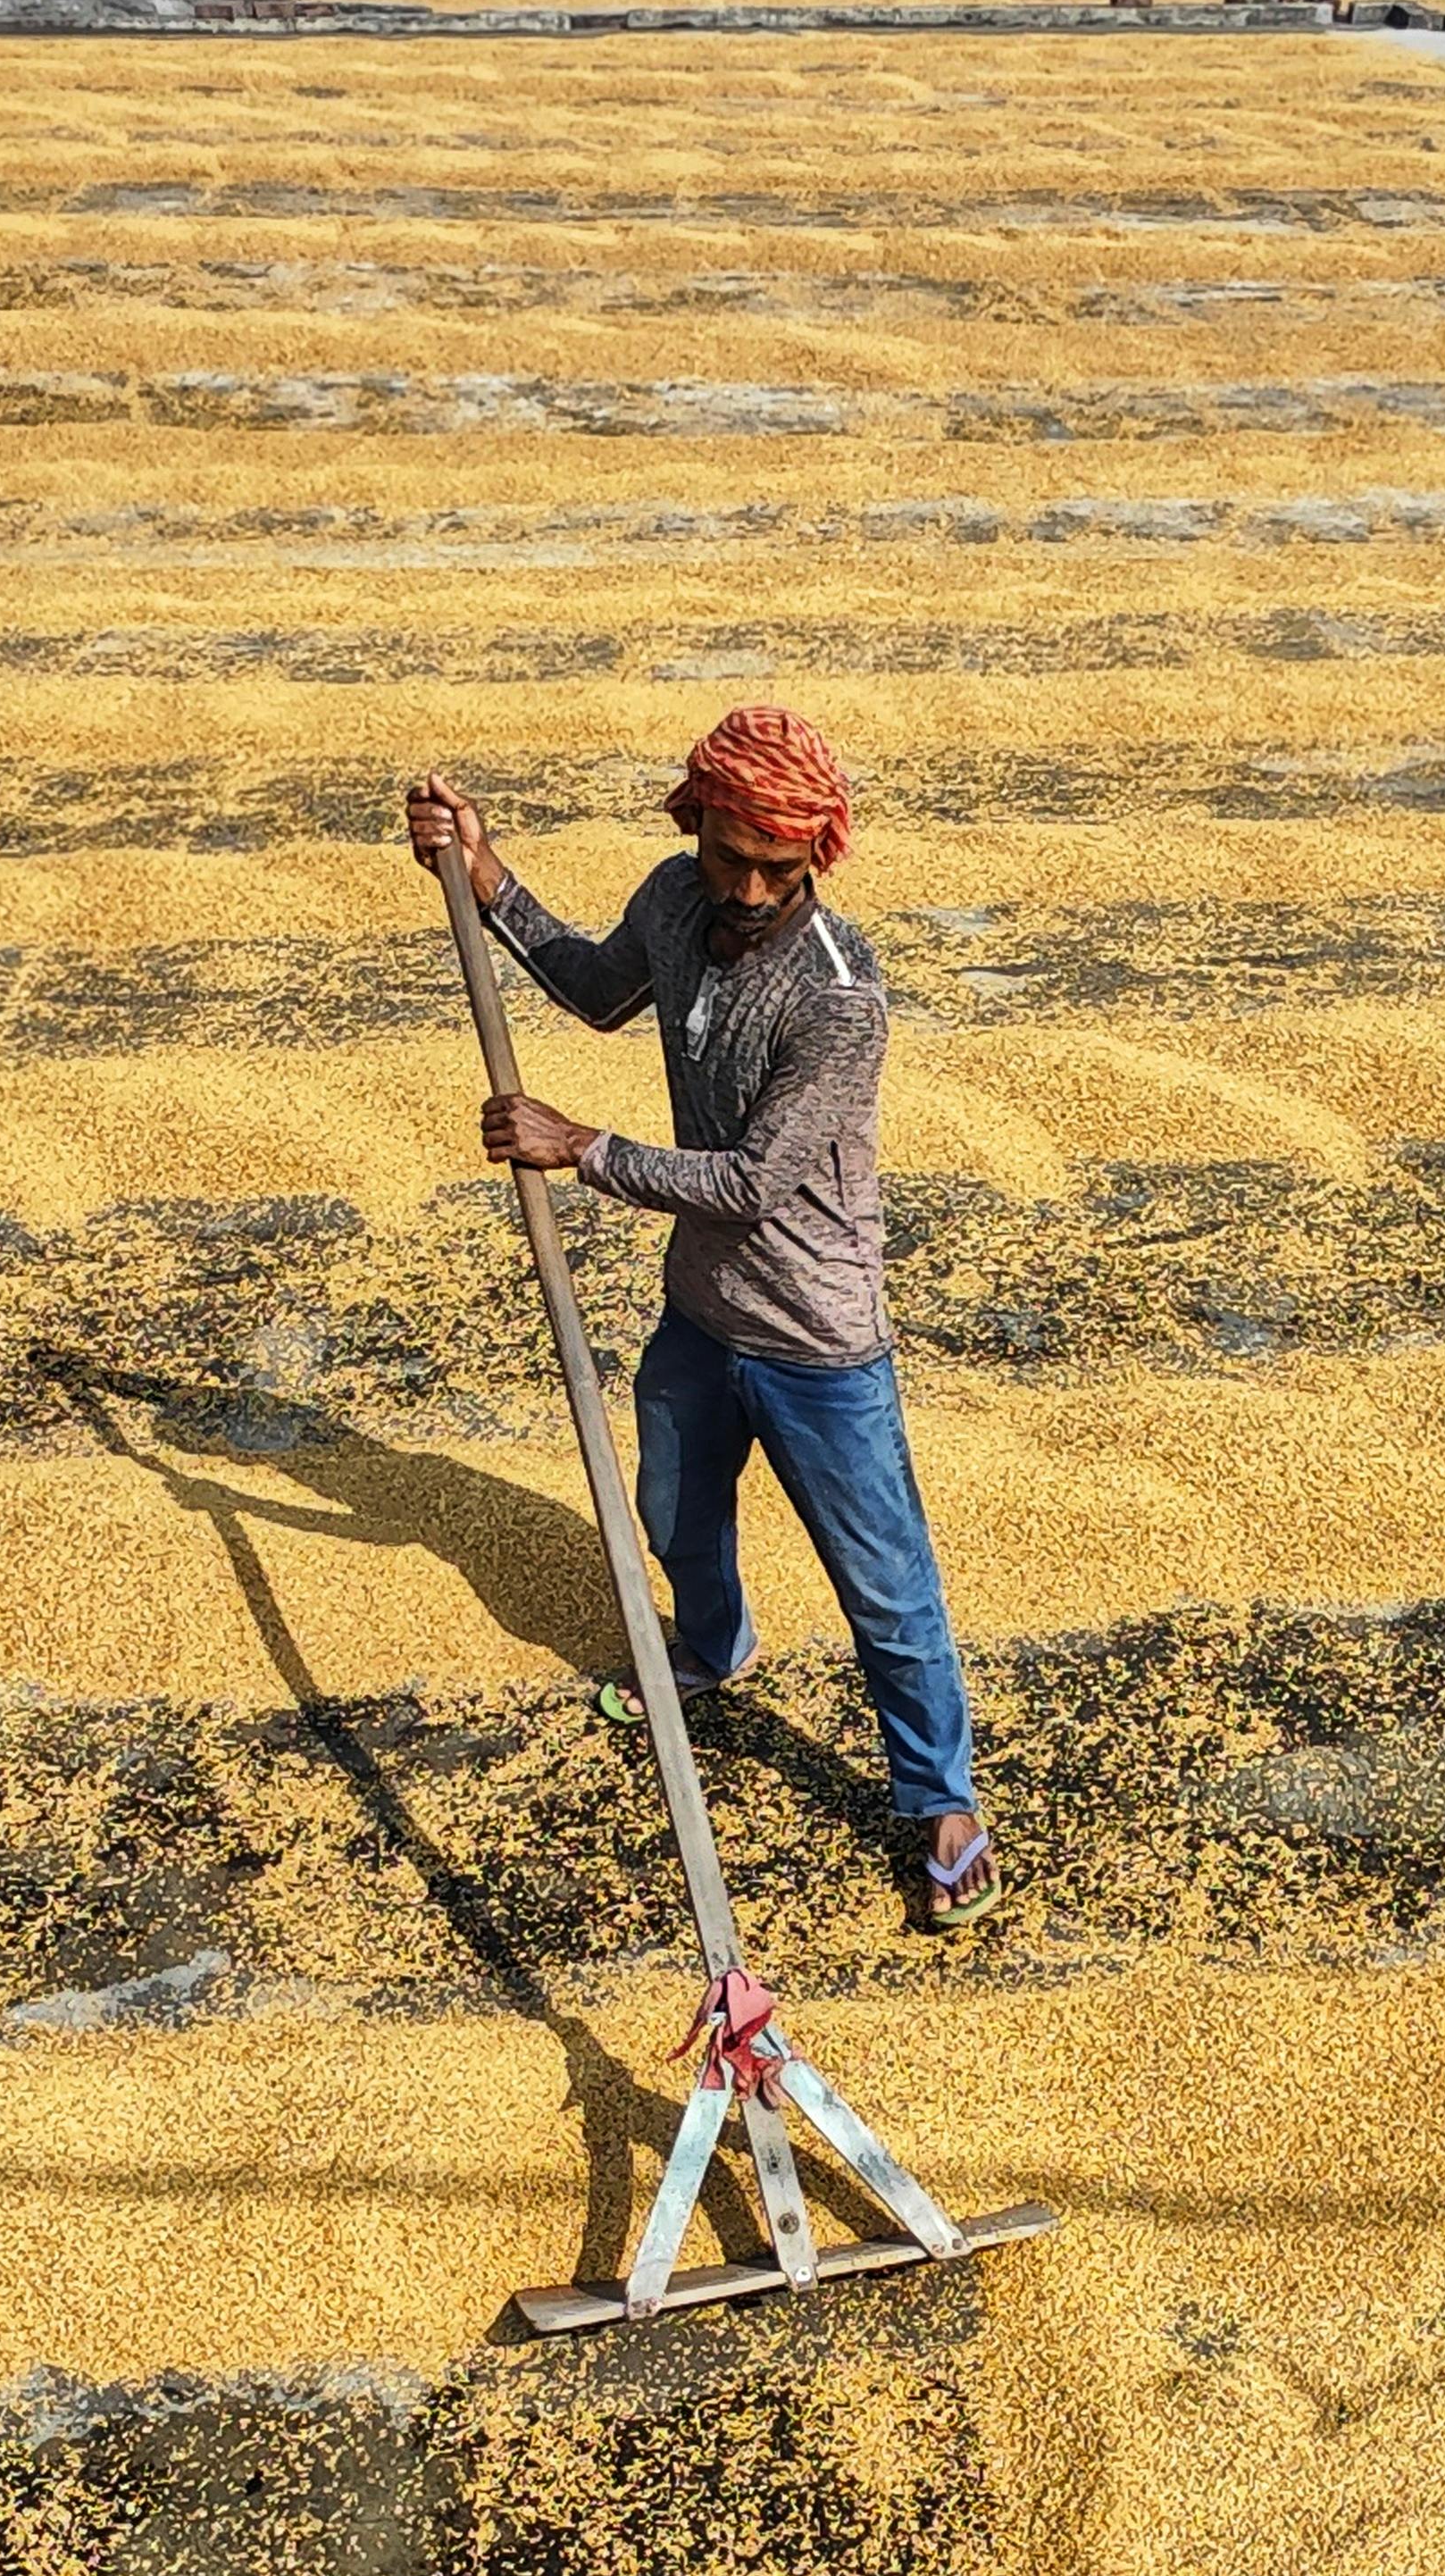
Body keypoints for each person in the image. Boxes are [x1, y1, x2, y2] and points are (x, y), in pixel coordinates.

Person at [402, 707, 1003, 1930]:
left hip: (818, 1337)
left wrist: (582, 1148)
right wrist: (486, 877)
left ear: (816, 858)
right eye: (729, 854)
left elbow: (748, 1183)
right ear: (696, 824)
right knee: (676, 1514)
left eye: (777, 869)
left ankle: (941, 1800)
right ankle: (714, 1647)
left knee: (885, 1588)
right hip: (701, 1314)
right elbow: (594, 989)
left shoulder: (839, 1000)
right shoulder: (678, 905)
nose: (747, 887)